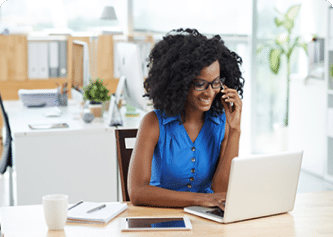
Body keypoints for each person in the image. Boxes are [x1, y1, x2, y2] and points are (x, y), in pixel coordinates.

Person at [127, 28, 244, 210]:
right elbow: (137, 192)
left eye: (216, 83)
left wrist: (235, 129)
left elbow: (222, 190)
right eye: (200, 84)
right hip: (161, 218)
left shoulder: (222, 124)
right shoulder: (154, 123)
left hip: (206, 219)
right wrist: (199, 199)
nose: (209, 92)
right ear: (180, 82)